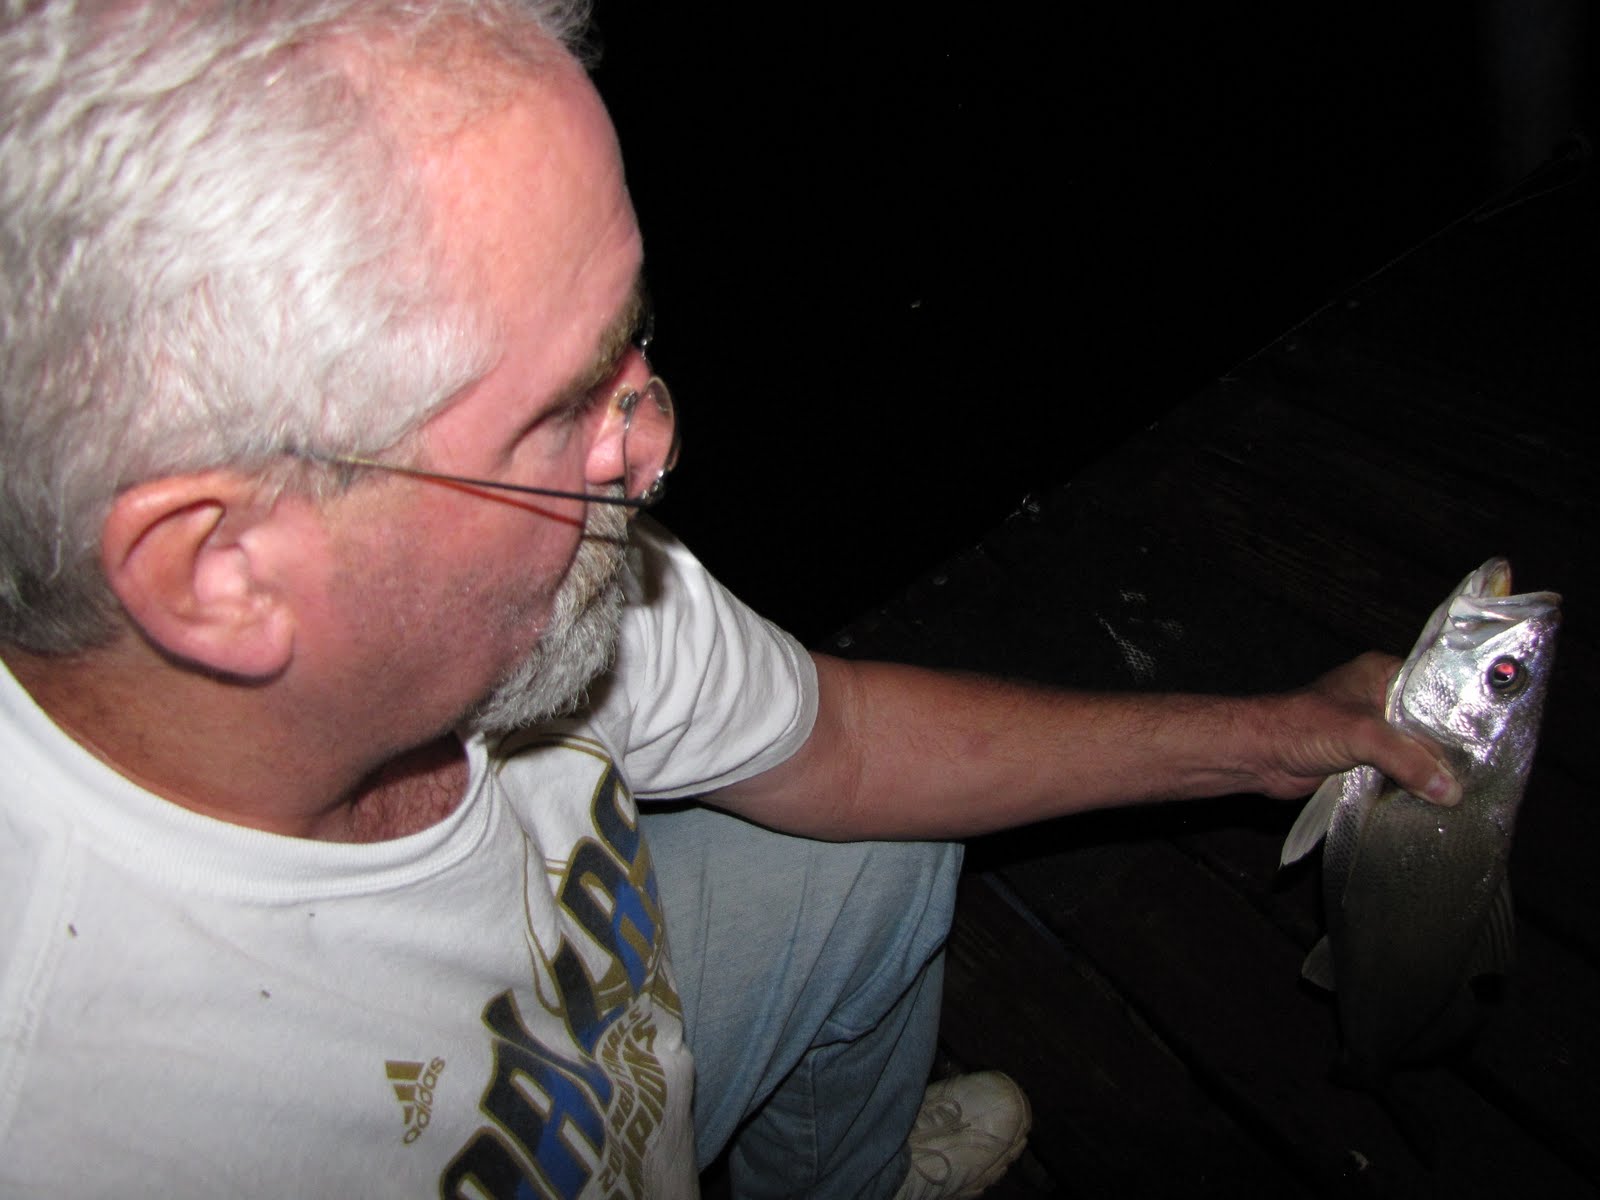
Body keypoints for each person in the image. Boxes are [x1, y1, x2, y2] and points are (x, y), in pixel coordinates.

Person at [0, 3, 1461, 1198]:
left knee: (875, 850)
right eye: (564, 415)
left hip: (593, 1029)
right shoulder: (93, 1118)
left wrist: (1270, 737)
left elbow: (847, 749)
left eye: (631, 352)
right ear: (225, 570)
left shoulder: (536, 590)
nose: (653, 450)